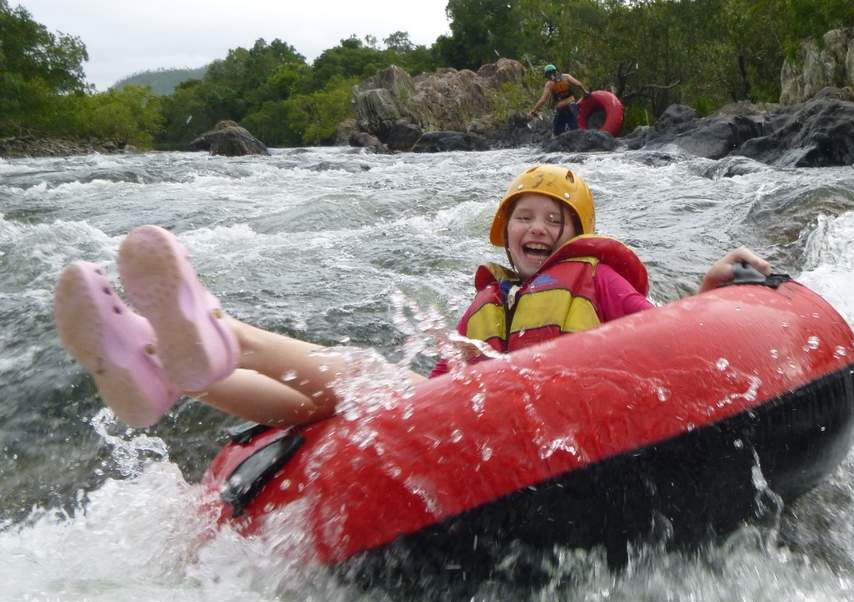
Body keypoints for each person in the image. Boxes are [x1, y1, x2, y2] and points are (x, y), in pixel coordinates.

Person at [53, 164, 770, 430]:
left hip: (553, 423)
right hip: (484, 425)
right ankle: (164, 365)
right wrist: (462, 356)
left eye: (555, 222)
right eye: (526, 216)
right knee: (327, 406)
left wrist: (708, 291)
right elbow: (435, 398)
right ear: (504, 231)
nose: (539, 228)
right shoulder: (483, 309)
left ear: (574, 238)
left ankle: (222, 333)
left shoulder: (599, 279)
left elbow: (665, 341)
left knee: (363, 379)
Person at [529, 64, 590, 136]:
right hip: (572, 106)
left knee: (557, 134)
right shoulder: (566, 77)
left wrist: (533, 110)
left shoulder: (549, 84)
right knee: (576, 130)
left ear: (547, 74)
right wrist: (585, 92)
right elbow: (578, 84)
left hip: (561, 110)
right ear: (556, 71)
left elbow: (543, 100)